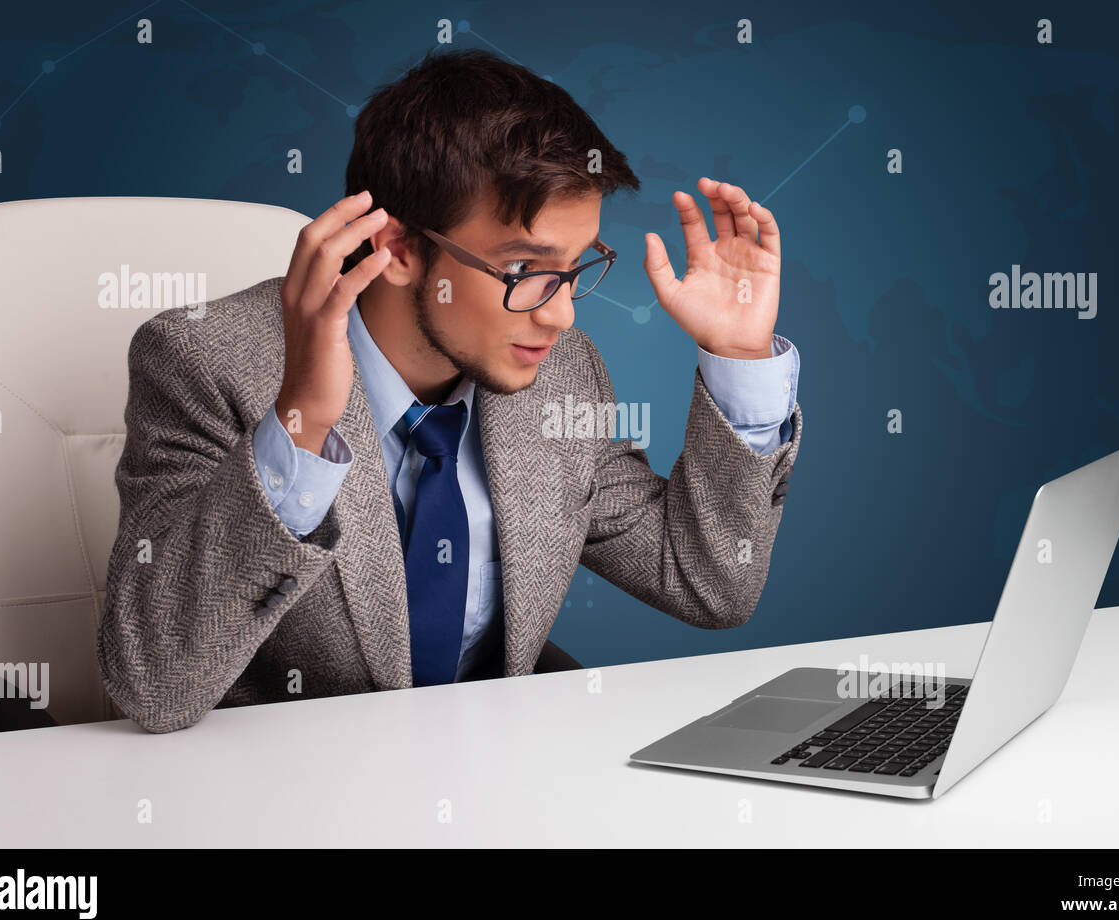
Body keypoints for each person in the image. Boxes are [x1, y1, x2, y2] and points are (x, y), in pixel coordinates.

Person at [98, 49, 803, 733]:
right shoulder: (204, 362)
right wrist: (303, 424)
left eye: (576, 265)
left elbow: (710, 582)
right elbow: (154, 687)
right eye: (524, 267)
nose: (561, 313)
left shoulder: (558, 373)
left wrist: (739, 360)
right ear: (399, 250)